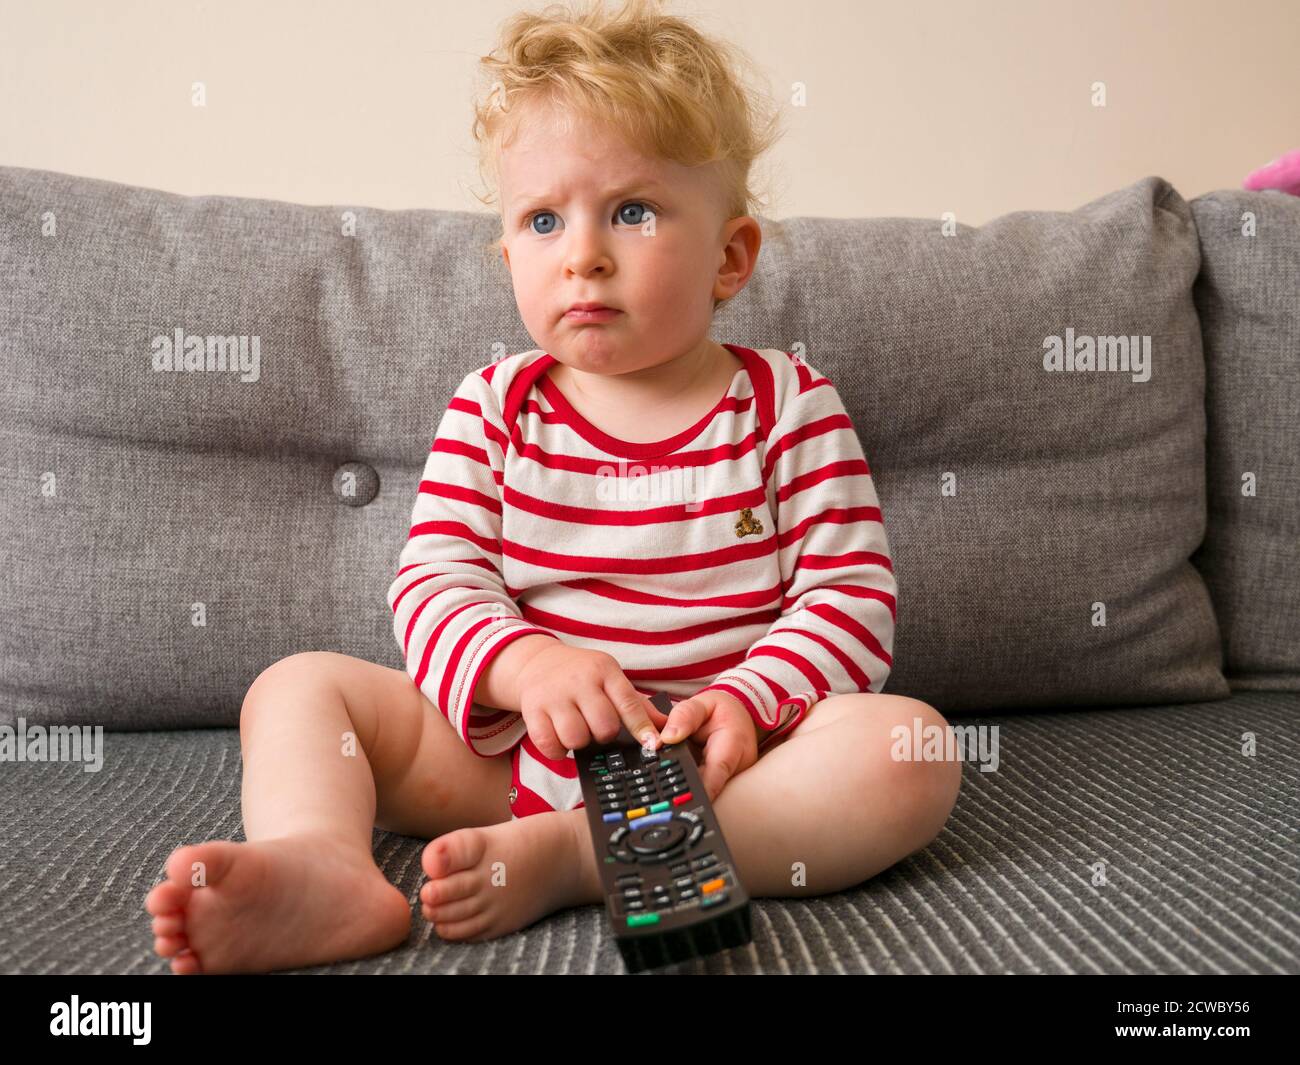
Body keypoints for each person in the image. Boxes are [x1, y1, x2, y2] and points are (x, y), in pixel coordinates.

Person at [144, 0, 960, 974]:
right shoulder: (495, 407)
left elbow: (848, 600)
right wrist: (524, 666)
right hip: (511, 758)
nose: (583, 254)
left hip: (718, 770)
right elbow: (434, 582)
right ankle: (321, 863)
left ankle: (580, 859)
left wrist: (749, 697)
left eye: (632, 211)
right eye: (542, 220)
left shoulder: (788, 406)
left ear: (729, 257)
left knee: (909, 750)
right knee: (299, 688)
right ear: (508, 257)